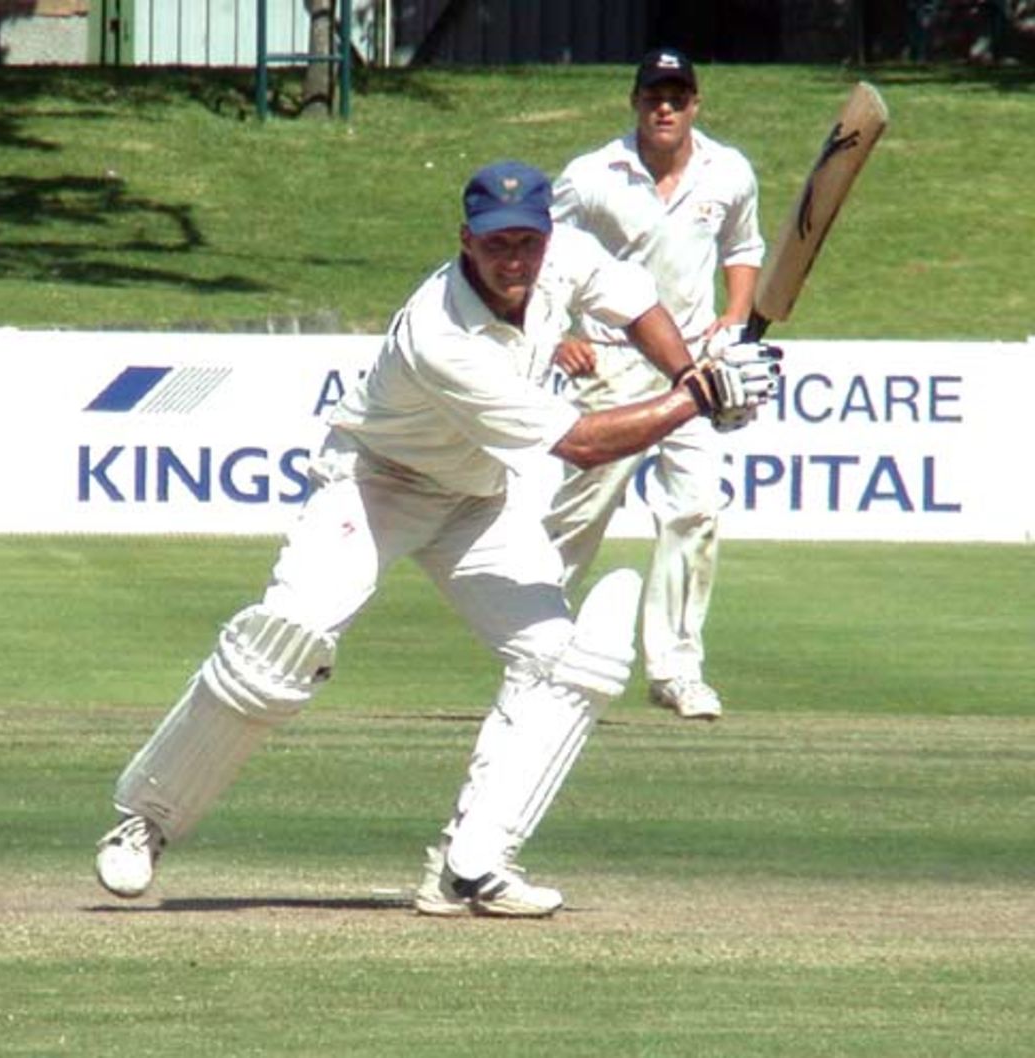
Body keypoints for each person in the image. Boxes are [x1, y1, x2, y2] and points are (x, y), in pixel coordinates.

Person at [93, 160, 778, 919]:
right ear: (466, 240)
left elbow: (640, 302)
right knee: (284, 642)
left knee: (563, 662)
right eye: (496, 245)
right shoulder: (439, 331)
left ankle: (472, 866)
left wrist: (696, 370)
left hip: (479, 498)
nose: (514, 260)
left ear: (547, 236)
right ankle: (144, 822)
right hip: (377, 482)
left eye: (527, 242)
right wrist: (698, 398)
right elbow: (581, 442)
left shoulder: (568, 254)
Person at [545, 47, 766, 722]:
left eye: (677, 95)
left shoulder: (728, 171)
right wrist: (559, 336)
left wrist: (733, 317)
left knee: (697, 511)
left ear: (695, 103)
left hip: (694, 365)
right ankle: (532, 645)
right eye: (653, 96)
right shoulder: (591, 176)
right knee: (576, 519)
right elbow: (539, 258)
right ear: (635, 103)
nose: (664, 107)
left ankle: (675, 668)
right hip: (611, 360)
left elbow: (743, 248)